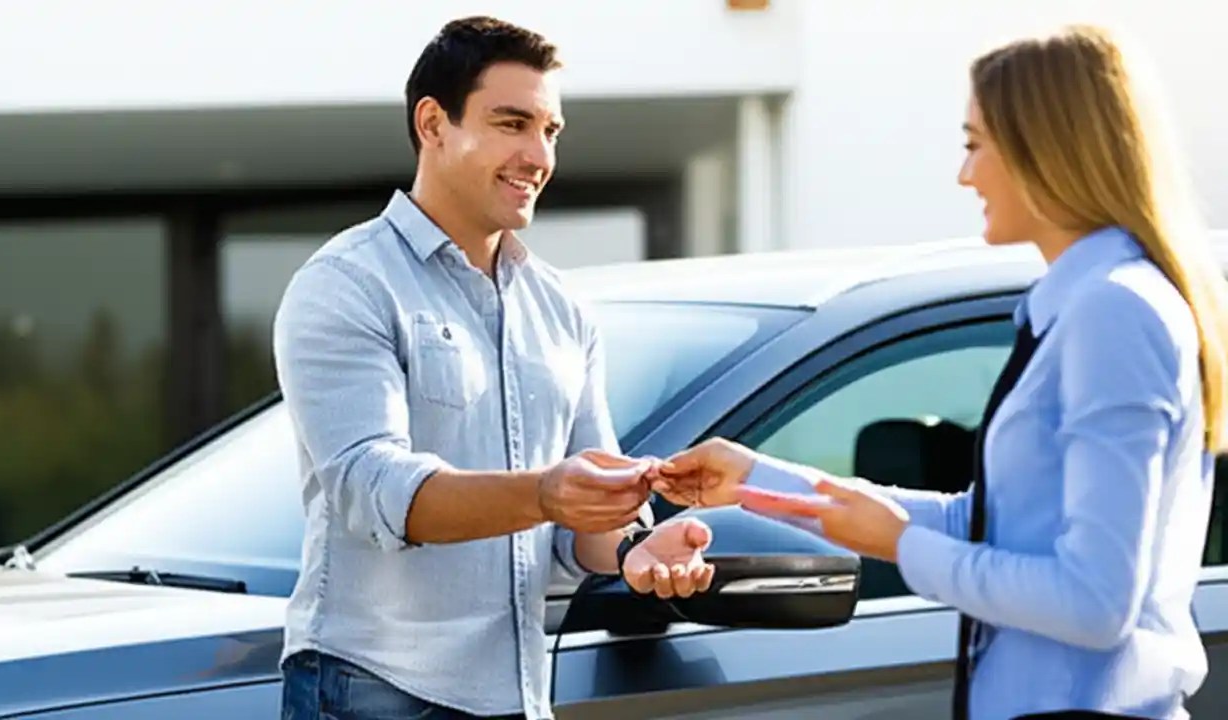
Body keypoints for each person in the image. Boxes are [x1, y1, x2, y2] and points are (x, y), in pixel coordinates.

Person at [648, 24, 1228, 720]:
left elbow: (1095, 602)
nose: (964, 174)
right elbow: (983, 522)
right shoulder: (1086, 306)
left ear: (1043, 148)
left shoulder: (1113, 311)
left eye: (974, 144)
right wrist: (755, 481)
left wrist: (901, 546)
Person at [273, 16, 714, 720]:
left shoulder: (562, 308)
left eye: (551, 131)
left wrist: (636, 547)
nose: (538, 155)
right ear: (433, 124)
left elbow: (583, 514)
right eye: (512, 124)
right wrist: (544, 494)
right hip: (373, 693)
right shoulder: (347, 285)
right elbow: (372, 489)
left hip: (520, 698)